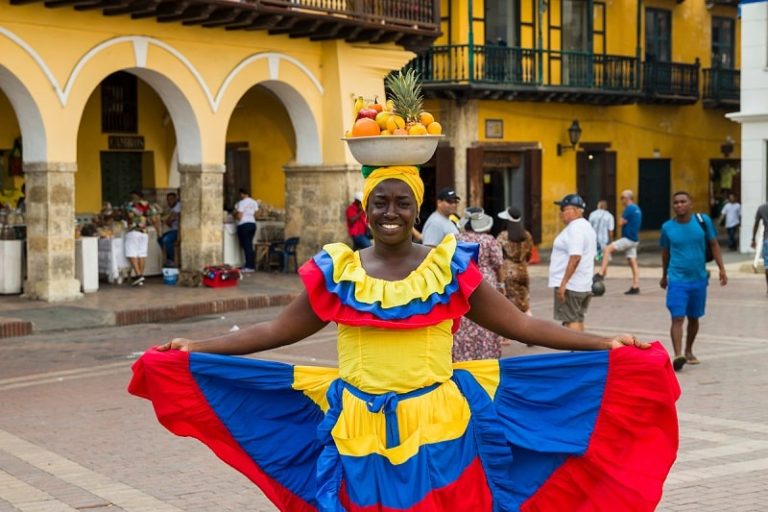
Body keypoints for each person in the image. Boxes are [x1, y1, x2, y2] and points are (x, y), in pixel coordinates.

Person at [130, 165, 679, 512]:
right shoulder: (337, 272)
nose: (390, 212)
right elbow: (275, 331)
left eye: (401, 203)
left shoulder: (448, 269)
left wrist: (606, 343)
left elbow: (522, 326)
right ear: (365, 210)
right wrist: (195, 349)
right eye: (379, 202)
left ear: (417, 211)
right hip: (356, 427)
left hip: (441, 423)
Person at [660, 191, 727, 372]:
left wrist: (722, 268)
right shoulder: (667, 227)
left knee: (694, 317)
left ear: (691, 204)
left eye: (683, 201)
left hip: (699, 278)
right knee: (677, 317)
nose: (679, 205)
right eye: (676, 202)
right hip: (677, 279)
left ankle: (689, 350)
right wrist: (664, 275)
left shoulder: (702, 221)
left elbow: (714, 244)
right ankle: (678, 355)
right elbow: (665, 253)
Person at [451, 207, 504, 361]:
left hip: (462, 282)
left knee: (464, 318)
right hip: (486, 282)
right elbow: (499, 265)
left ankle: (463, 358)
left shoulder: (455, 239)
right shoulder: (489, 240)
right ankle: (486, 357)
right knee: (488, 318)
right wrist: (501, 285)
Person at [549, 194, 597, 331]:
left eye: (564, 209)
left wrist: (563, 284)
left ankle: (574, 351)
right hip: (582, 283)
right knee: (577, 319)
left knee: (570, 322)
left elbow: (575, 257)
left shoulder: (575, 229)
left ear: (575, 211)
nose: (561, 213)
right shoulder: (586, 226)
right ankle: (580, 350)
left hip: (572, 285)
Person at [596, 190, 642, 294]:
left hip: (628, 238)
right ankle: (636, 285)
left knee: (607, 249)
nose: (621, 200)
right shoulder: (637, 208)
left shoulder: (629, 209)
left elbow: (620, 223)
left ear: (627, 198)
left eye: (622, 198)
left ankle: (601, 272)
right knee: (632, 261)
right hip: (634, 238)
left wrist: (623, 221)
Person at [496, 206, 534, 316]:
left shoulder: (503, 236)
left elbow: (497, 254)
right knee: (523, 301)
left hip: (509, 271)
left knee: (510, 304)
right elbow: (529, 254)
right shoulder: (527, 235)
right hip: (523, 270)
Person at [123, 190, 155, 287]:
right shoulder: (147, 205)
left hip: (133, 231)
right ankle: (140, 278)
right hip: (144, 232)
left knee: (131, 253)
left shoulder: (130, 205)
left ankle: (138, 274)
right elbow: (152, 217)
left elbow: (128, 216)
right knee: (141, 254)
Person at [234, 188, 259, 273]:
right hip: (252, 224)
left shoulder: (242, 202)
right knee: (249, 245)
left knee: (246, 246)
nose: (240, 196)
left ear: (242, 194)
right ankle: (250, 264)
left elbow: (239, 216)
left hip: (244, 225)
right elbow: (256, 215)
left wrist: (235, 215)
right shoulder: (254, 202)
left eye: (240, 194)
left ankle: (249, 266)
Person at [158, 192, 181, 266]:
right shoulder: (172, 208)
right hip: (173, 230)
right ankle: (167, 257)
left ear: (175, 199)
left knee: (166, 239)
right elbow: (168, 220)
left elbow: (169, 221)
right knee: (160, 238)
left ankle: (172, 259)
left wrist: (167, 220)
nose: (169, 201)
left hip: (178, 231)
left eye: (171, 199)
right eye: (168, 200)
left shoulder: (178, 206)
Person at [751, 201, 768, 294]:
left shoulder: (762, 208)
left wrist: (753, 239)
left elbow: (756, 224)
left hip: (767, 240)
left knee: (767, 265)